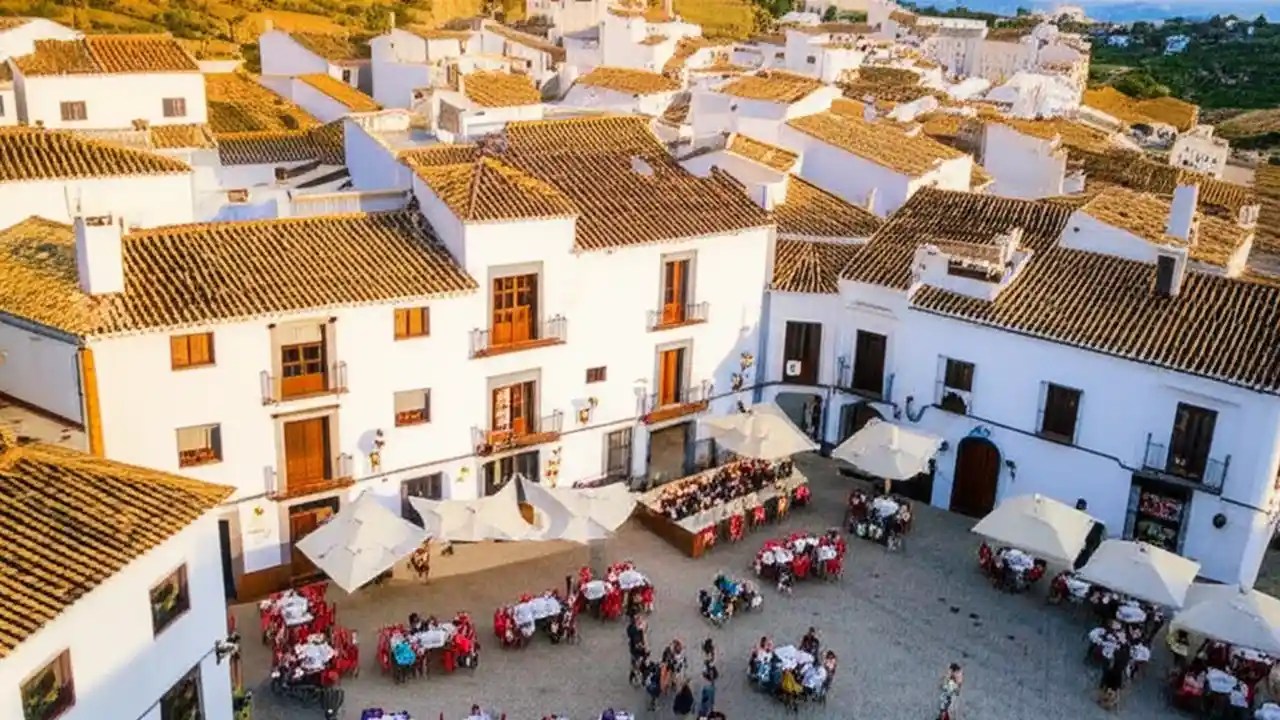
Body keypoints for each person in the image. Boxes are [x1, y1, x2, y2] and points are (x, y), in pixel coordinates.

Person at [1097, 642, 1129, 710]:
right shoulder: (1122, 656)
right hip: (1116, 671)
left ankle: (1105, 699)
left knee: (1108, 684)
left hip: (1115, 671)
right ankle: (1107, 699)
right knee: (1112, 686)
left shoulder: (1119, 654)